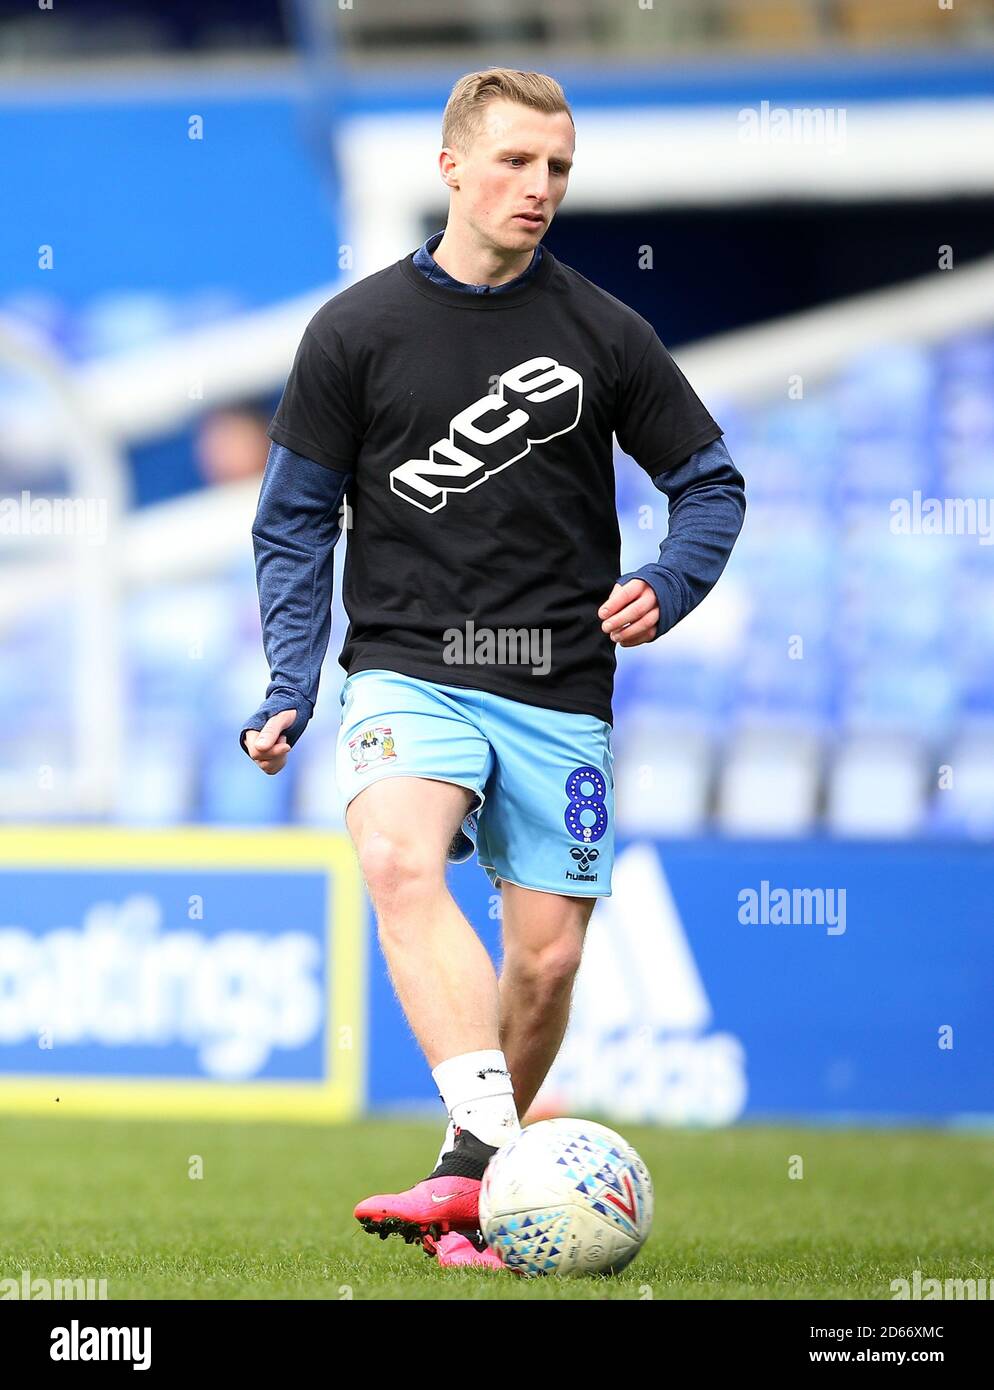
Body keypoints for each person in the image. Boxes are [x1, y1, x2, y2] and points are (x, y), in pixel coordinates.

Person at [240, 68, 745, 1270]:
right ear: (452, 167)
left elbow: (710, 483)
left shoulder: (605, 331)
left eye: (558, 168)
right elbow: (294, 521)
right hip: (408, 665)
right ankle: (488, 1147)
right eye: (516, 162)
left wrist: (669, 583)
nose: (540, 188)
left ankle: (465, 1182)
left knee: (551, 955)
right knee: (399, 856)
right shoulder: (354, 331)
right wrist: (290, 681)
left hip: (558, 681)